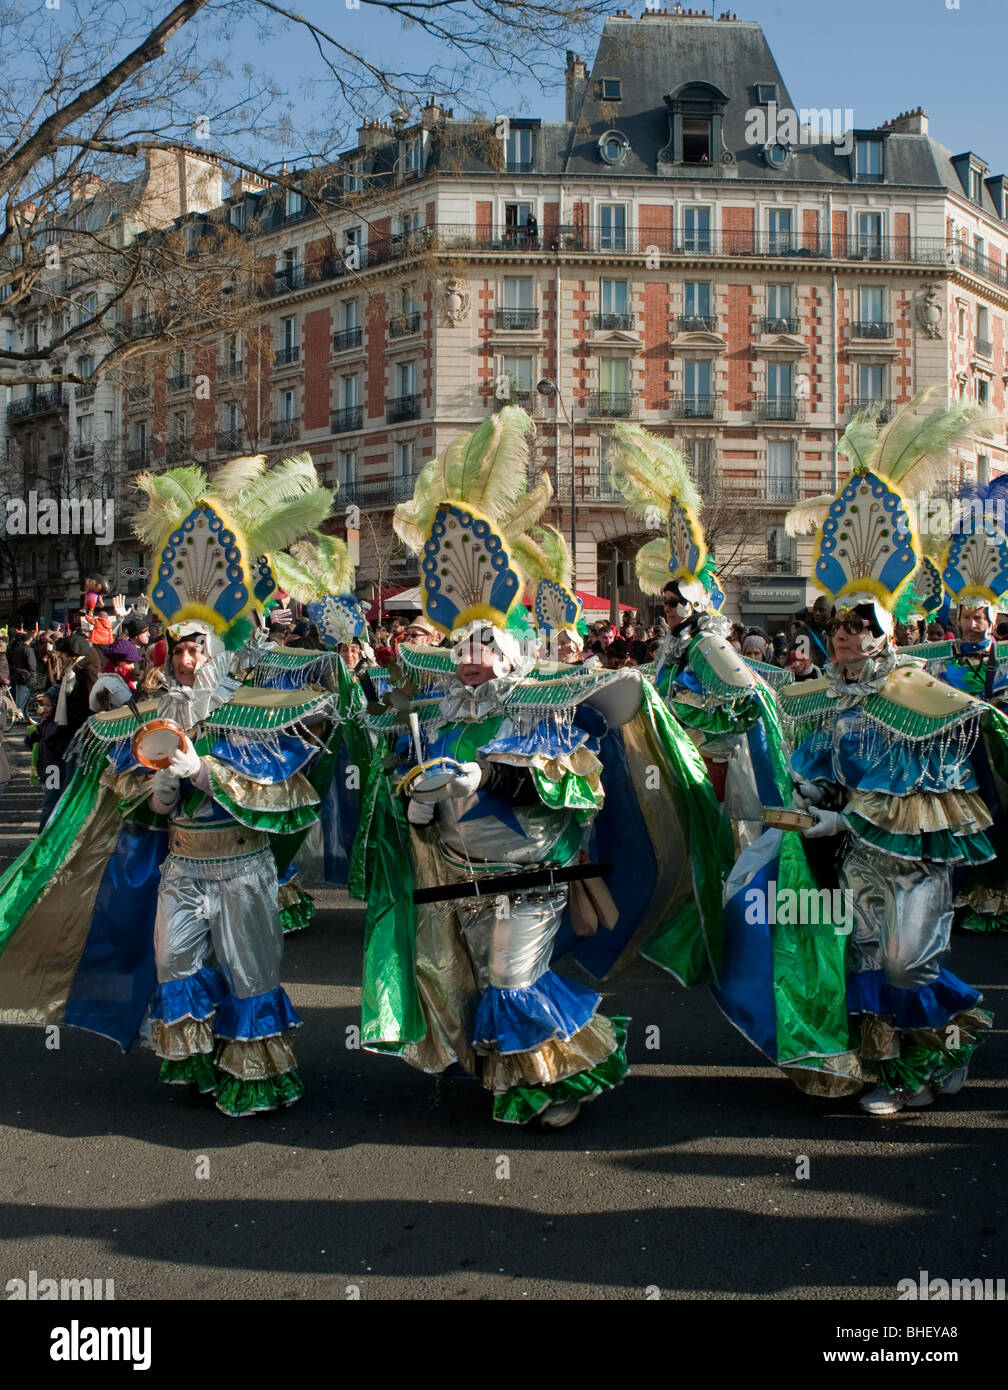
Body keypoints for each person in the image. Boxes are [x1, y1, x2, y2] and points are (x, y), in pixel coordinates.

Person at [0, 452, 336, 1117]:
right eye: (179, 649)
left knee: (249, 975)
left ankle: (256, 1077)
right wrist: (154, 795)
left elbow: (282, 797)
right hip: (182, 867)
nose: (187, 660)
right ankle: (202, 1060)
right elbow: (127, 797)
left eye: (198, 648)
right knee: (177, 965)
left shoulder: (254, 713)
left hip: (241, 868)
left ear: (221, 649)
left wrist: (204, 772)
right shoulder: (153, 716)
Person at [724, 392, 1003, 1111]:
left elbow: (927, 793)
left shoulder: (922, 700)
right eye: (835, 624)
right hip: (851, 862)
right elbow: (807, 770)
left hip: (911, 862)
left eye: (857, 625)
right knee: (866, 959)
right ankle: (897, 1073)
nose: (842, 635)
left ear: (884, 630)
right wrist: (810, 806)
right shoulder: (817, 697)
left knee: (911, 964)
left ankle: (944, 1051)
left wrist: (842, 820)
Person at [25, 686, 71, 830]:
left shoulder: (60, 724)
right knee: (50, 803)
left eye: (48, 705)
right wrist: (33, 737)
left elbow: (59, 746)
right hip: (49, 768)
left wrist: (48, 739)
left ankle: (43, 836)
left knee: (50, 805)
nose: (44, 708)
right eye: (43, 705)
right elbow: (31, 742)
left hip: (55, 769)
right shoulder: (46, 721)